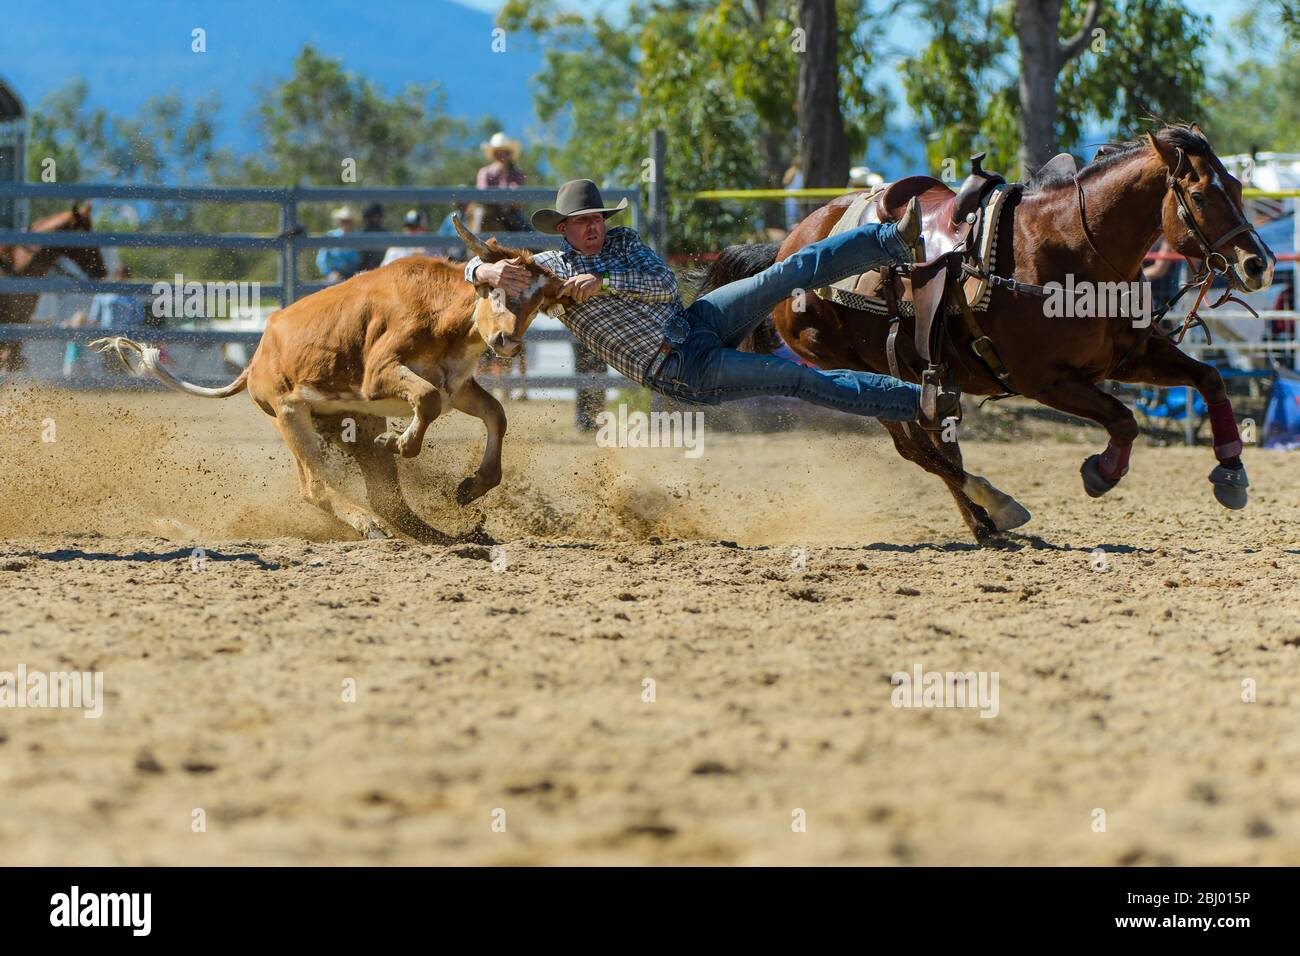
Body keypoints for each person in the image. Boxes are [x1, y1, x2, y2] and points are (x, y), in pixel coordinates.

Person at [465, 179, 957, 427]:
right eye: (581, 221)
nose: (593, 226)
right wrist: (483, 269)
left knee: (784, 272)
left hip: (691, 322)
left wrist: (606, 282)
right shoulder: (548, 269)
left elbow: (662, 284)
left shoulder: (622, 243)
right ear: (563, 229)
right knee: (798, 377)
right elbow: (468, 275)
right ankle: (920, 402)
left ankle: (893, 238)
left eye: (596, 218)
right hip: (679, 367)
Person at [315, 206, 362, 283]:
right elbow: (321, 259)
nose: (346, 224)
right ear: (340, 222)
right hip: (334, 274)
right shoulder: (331, 236)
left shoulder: (357, 237)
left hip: (353, 274)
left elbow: (358, 260)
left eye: (348, 221)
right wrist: (329, 273)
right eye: (344, 221)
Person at [358, 203, 387, 272]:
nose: (375, 219)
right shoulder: (363, 234)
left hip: (383, 268)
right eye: (373, 217)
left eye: (377, 216)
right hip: (365, 269)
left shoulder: (385, 234)